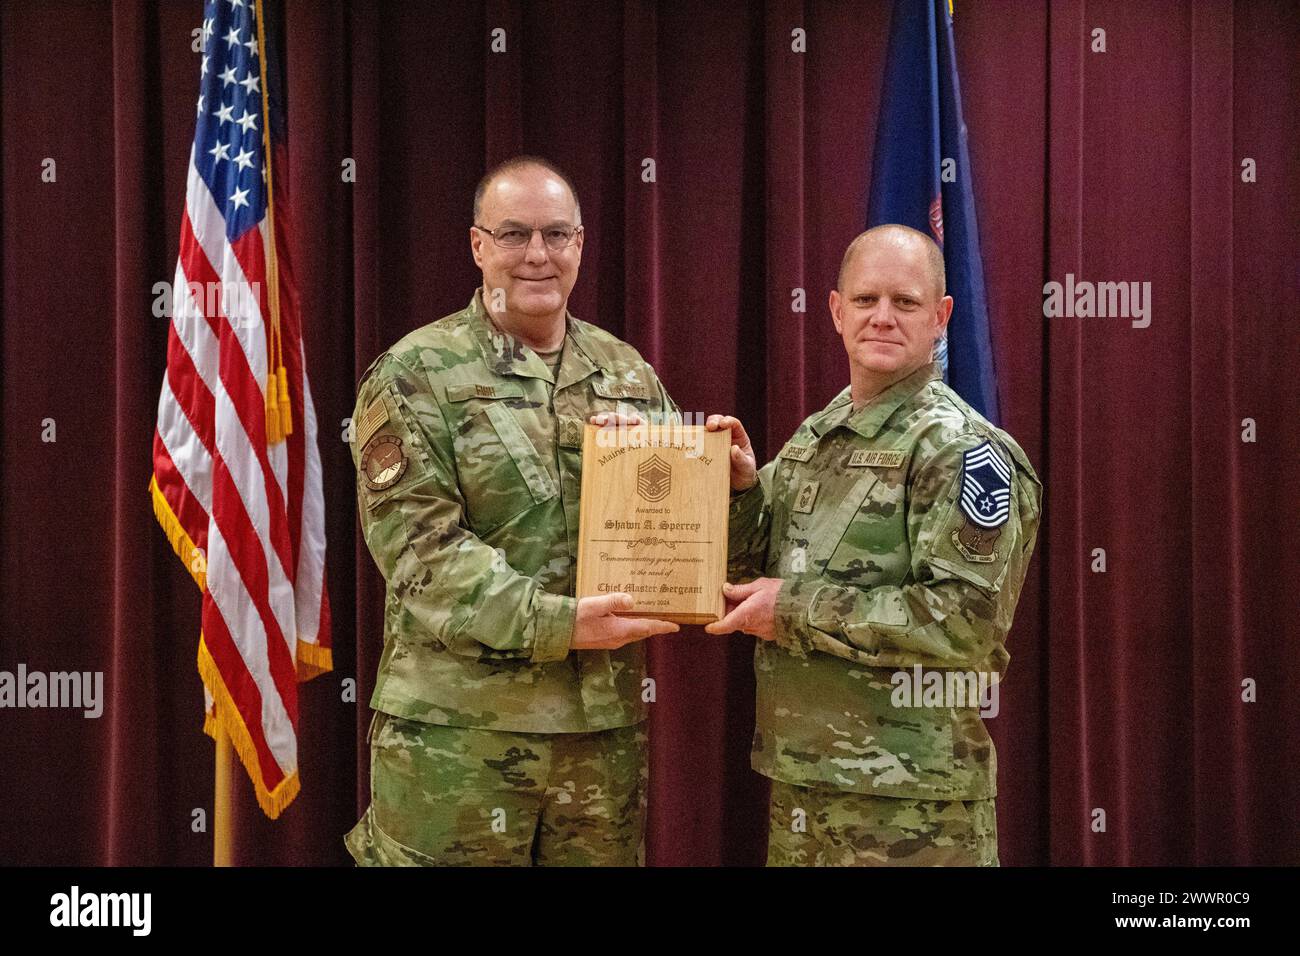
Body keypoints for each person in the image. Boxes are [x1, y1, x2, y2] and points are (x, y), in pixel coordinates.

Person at [345, 156, 679, 866]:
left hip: (599, 747)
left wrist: (732, 490)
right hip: (457, 742)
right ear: (477, 245)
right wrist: (562, 624)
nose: (537, 254)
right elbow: (424, 558)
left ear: (581, 244)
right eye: (514, 234)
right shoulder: (415, 374)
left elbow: (687, 534)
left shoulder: (627, 374)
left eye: (557, 234)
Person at [705, 224, 1042, 866]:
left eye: (905, 302)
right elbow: (749, 568)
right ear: (835, 311)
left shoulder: (963, 451)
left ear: (941, 316)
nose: (882, 318)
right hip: (806, 784)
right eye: (865, 300)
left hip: (914, 806)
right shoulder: (821, 433)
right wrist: (741, 492)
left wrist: (794, 611)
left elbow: (963, 625)